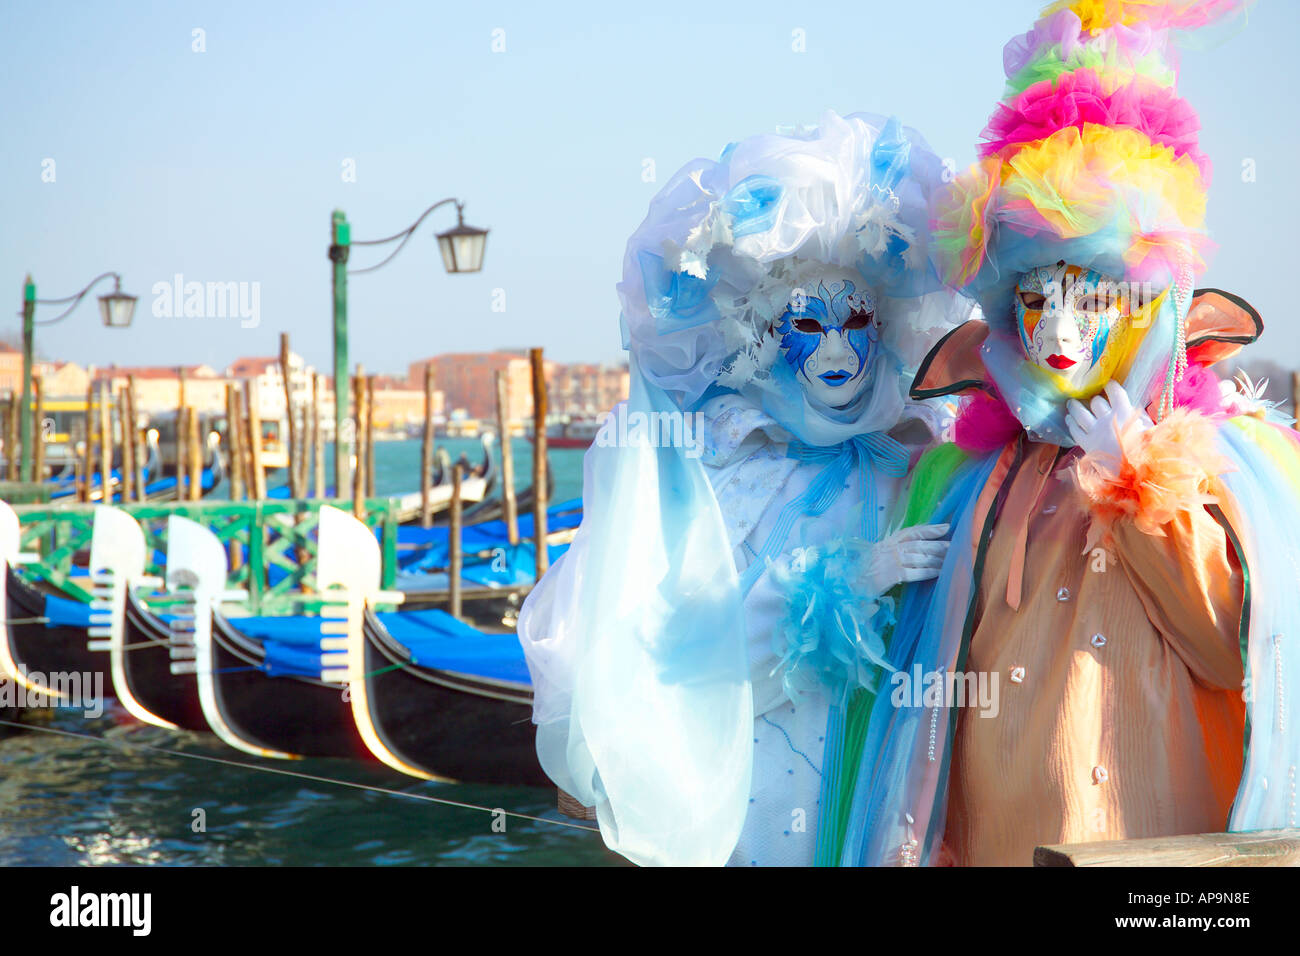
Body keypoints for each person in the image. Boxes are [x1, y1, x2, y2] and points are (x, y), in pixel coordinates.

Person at [839, 0, 1300, 868]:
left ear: (1144, 299)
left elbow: (1226, 648)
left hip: (1156, 862)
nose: (1058, 328)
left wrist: (1141, 490)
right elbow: (928, 692)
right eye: (1036, 293)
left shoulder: (1213, 462)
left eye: (1091, 293)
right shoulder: (972, 476)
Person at [517, 109, 969, 866]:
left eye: (854, 320)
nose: (835, 347)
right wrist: (851, 577)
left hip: (889, 802)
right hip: (763, 811)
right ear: (766, 337)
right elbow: (691, 661)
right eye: (806, 322)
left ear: (882, 329)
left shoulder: (923, 461)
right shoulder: (735, 475)